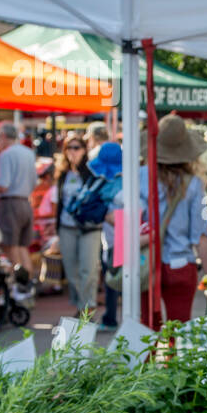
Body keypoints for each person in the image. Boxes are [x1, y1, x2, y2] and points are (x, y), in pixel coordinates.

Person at [132, 114, 207, 329]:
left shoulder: (138, 177)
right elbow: (200, 236)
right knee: (179, 331)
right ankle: (172, 353)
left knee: (146, 330)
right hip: (180, 264)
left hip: (145, 262)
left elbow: (124, 218)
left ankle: (149, 354)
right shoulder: (194, 184)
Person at [54, 134, 106, 314]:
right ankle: (80, 305)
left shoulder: (91, 172)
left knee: (88, 269)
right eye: (69, 148)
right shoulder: (63, 173)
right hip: (66, 227)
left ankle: (87, 307)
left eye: (76, 148)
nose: (73, 152)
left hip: (89, 227)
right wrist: (56, 228)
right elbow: (59, 202)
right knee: (71, 271)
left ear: (84, 150)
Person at [0, 121, 36, 275]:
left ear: (3, 136)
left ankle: (18, 281)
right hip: (25, 203)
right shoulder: (28, 153)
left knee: (11, 247)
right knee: (22, 247)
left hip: (10, 204)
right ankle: (28, 281)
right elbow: (34, 182)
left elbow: (3, 185)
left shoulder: (6, 154)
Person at [89, 142, 123, 331]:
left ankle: (111, 318)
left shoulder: (113, 184)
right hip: (112, 238)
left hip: (119, 238)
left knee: (113, 279)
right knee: (113, 278)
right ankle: (111, 317)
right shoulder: (119, 181)